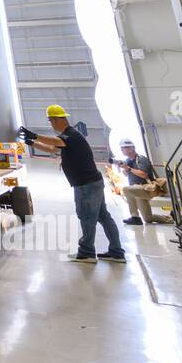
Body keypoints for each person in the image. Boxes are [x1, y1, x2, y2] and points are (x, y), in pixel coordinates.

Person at [18, 105, 125, 263]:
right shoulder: (68, 137)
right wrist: (31, 142)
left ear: (56, 119)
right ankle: (116, 252)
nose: (51, 124)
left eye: (51, 121)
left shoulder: (71, 135)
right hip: (92, 182)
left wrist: (34, 135)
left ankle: (87, 252)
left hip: (86, 185)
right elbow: (52, 149)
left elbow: (55, 142)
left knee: (87, 217)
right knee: (103, 217)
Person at [113, 139, 168, 225]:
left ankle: (135, 217)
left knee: (126, 189)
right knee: (148, 219)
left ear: (131, 148)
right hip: (137, 190)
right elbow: (125, 174)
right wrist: (124, 167)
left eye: (123, 148)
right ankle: (171, 218)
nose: (121, 150)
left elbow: (144, 174)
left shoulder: (141, 159)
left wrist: (129, 168)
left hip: (146, 188)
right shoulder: (128, 160)